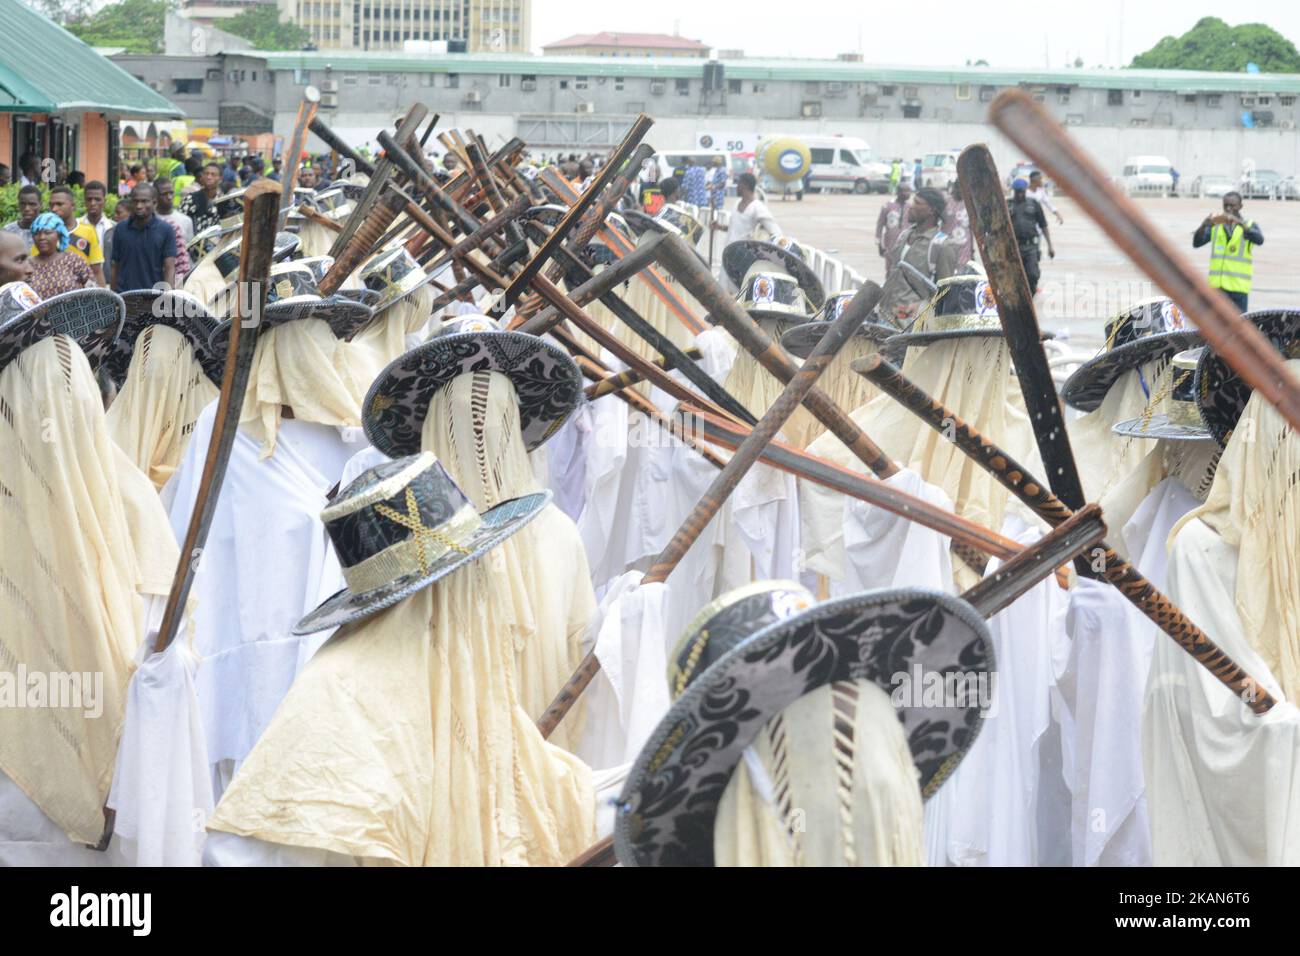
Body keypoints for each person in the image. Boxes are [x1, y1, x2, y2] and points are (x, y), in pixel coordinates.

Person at [876, 186, 957, 325]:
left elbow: (945, 295)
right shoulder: (904, 236)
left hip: (910, 325)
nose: (911, 207)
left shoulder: (941, 245)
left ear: (932, 210)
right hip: (886, 316)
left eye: (917, 203)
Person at [1192, 190, 1262, 313]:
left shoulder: (1249, 225)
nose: (1228, 209)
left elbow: (1259, 240)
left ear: (1240, 206)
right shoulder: (1216, 226)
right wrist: (1203, 226)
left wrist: (1242, 225)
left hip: (1238, 288)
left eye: (1232, 206)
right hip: (1217, 287)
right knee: (1215, 323)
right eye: (1226, 205)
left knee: (1239, 324)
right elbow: (1197, 243)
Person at [109, 183, 176, 293]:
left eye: (144, 201)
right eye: (135, 201)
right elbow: (115, 265)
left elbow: (169, 267)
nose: (139, 206)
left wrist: (167, 297)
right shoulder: (120, 229)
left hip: (154, 297)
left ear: (154, 203)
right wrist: (113, 296)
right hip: (125, 296)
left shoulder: (165, 230)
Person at [45, 184, 105, 286]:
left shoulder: (88, 231)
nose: (54, 209)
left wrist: (105, 300)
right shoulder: (44, 234)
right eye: (51, 205)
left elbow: (97, 271)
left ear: (72, 206)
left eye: (59, 204)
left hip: (82, 297)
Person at [28, 211, 94, 298]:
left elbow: (93, 291)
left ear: (59, 234)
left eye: (47, 232)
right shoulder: (27, 266)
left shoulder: (73, 260)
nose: (42, 237)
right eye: (37, 233)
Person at [1008, 177, 1053, 296]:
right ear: (1014, 191)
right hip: (1014, 248)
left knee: (1032, 275)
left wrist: (1050, 246)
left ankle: (1030, 295)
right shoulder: (1008, 205)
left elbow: (1043, 225)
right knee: (1015, 278)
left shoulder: (1034, 204)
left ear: (1025, 190)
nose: (1020, 194)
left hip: (1031, 247)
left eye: (1022, 191)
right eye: (1018, 192)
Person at [152, 178, 194, 282]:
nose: (169, 197)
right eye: (164, 194)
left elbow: (188, 251)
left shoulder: (185, 220)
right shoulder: (150, 220)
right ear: (155, 196)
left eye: (171, 193)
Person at [180, 161, 223, 235]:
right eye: (206, 174)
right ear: (202, 177)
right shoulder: (190, 199)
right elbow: (181, 222)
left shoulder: (223, 202)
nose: (209, 177)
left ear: (220, 179)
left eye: (213, 174)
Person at [875, 181, 912, 262]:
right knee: (890, 268)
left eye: (909, 191)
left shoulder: (910, 208)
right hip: (890, 243)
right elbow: (880, 225)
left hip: (906, 244)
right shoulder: (888, 206)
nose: (908, 193)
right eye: (905, 191)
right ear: (898, 192)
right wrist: (879, 244)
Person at [942, 178, 974, 269]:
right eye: (959, 188)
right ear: (955, 188)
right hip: (948, 248)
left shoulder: (969, 203)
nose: (961, 191)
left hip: (965, 250)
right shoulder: (945, 202)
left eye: (964, 188)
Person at [3, 184, 42, 248]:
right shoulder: (8, 231)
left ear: (40, 205)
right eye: (23, 204)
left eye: (32, 204)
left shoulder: (49, 231)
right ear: (18, 205)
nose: (27, 208)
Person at [79, 180, 111, 251]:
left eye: (97, 199)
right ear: (84, 201)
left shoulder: (113, 227)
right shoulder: (76, 225)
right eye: (89, 199)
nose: (92, 203)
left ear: (104, 201)